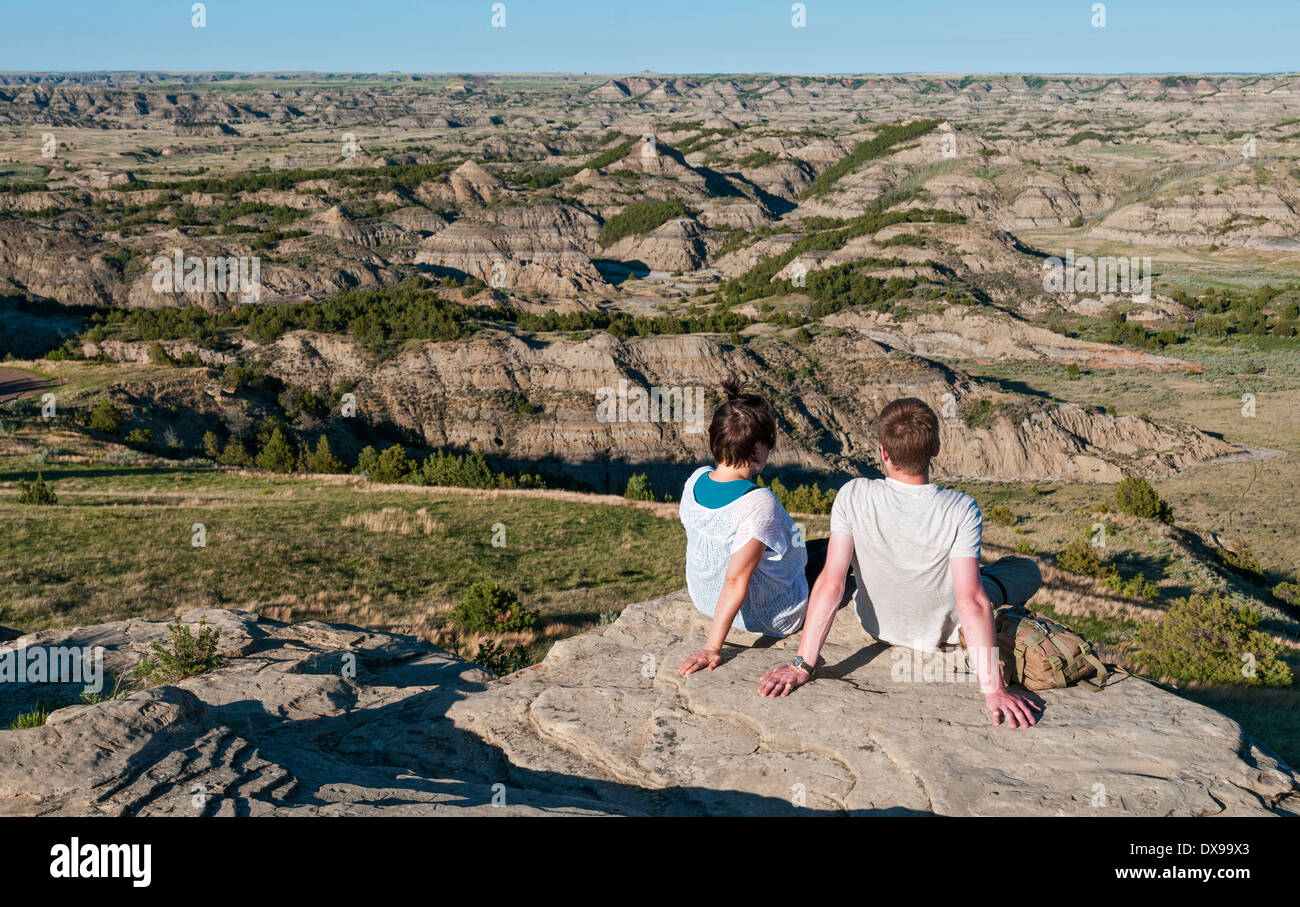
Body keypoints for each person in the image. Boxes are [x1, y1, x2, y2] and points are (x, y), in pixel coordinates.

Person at [757, 397, 1045, 729]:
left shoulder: (853, 494)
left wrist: (801, 665)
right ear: (935, 448)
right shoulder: (961, 508)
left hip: (878, 626)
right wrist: (993, 689)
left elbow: (832, 583)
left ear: (883, 451)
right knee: (1025, 570)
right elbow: (971, 600)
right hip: (945, 632)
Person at [677, 379, 828, 676]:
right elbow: (735, 580)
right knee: (841, 550)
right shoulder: (757, 502)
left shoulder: (695, 479)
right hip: (770, 615)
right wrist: (712, 646)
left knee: (819, 544)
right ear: (758, 447)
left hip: (705, 598)